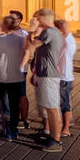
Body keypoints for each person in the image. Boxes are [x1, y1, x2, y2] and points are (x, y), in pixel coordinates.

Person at [24, 8, 66, 152]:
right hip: (45, 74)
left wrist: (31, 30)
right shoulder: (53, 32)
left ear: (42, 18)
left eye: (36, 18)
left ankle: (56, 140)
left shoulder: (50, 32)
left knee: (52, 108)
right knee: (49, 107)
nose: (34, 21)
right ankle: (52, 136)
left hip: (49, 75)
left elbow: (31, 45)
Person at [0, 15, 27, 140]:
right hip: (17, 76)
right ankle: (14, 130)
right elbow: (27, 53)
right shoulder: (21, 39)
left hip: (2, 76)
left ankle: (6, 129)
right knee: (14, 105)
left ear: (5, 25)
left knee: (3, 104)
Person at [57, 18, 77, 139]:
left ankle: (65, 129)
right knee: (66, 101)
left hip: (64, 76)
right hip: (65, 75)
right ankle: (68, 122)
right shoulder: (66, 39)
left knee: (64, 104)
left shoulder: (67, 40)